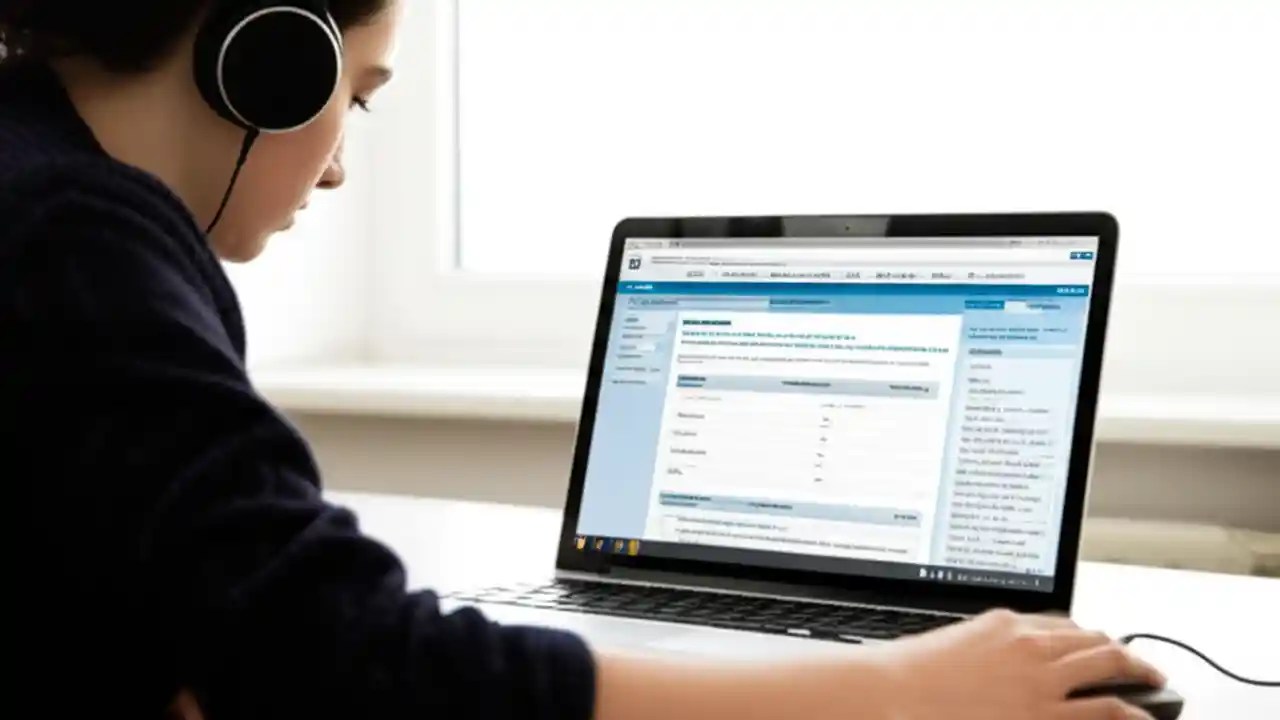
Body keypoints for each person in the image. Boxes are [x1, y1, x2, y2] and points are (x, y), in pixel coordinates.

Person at [0, 2, 1168, 718]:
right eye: (354, 97)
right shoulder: (72, 237)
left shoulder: (39, 185)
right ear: (267, 59)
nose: (341, 165)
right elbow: (336, 657)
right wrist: (896, 691)